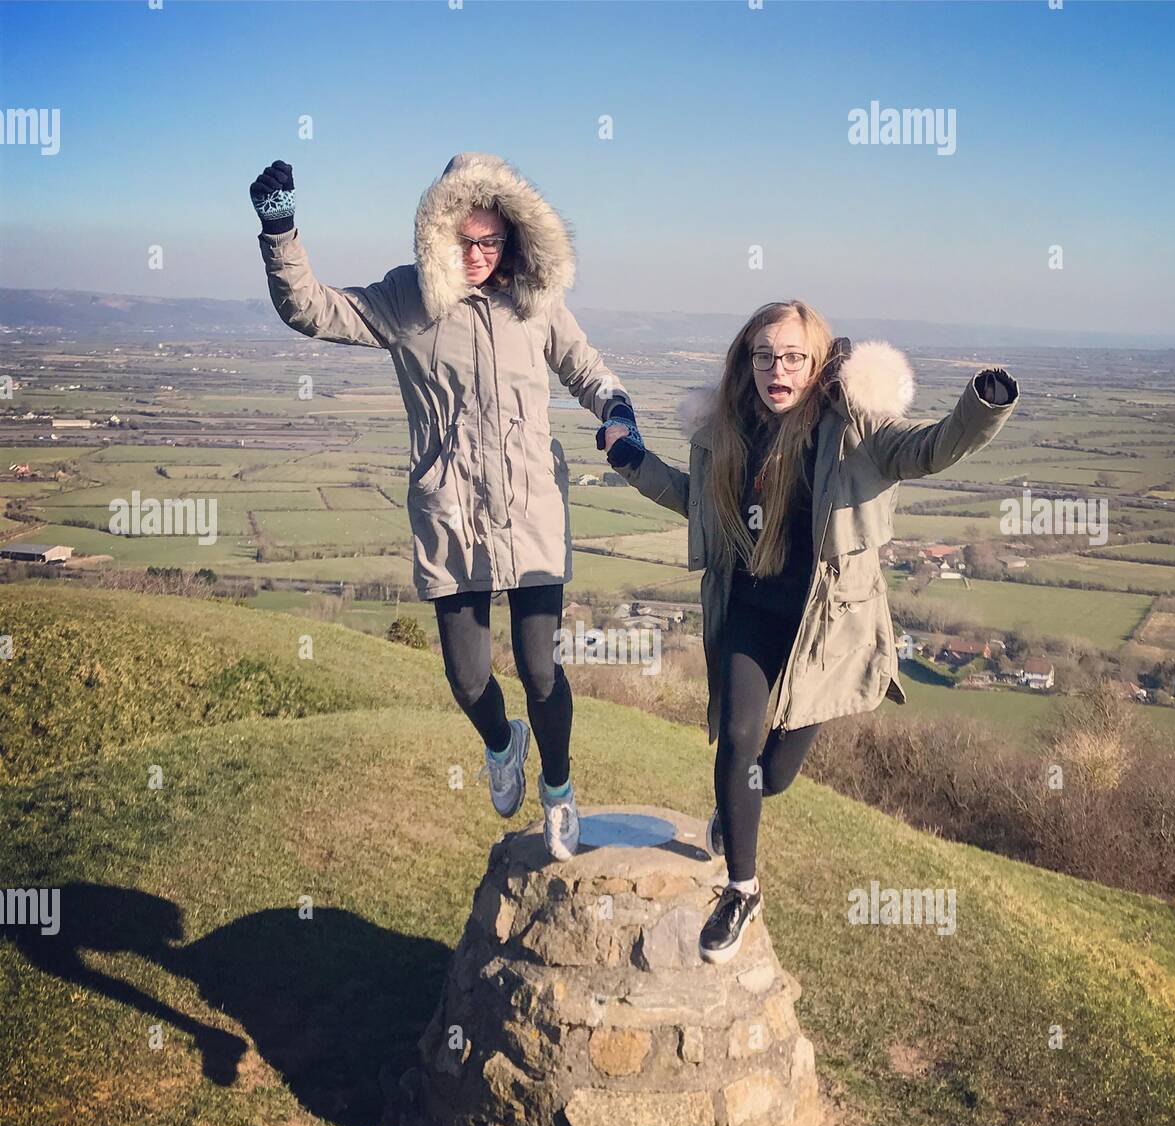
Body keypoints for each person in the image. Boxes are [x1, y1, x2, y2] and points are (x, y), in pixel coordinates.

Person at [250, 153, 643, 859]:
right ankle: (501, 742)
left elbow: (583, 364)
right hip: (452, 512)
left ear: (514, 240)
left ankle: (557, 789)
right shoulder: (408, 300)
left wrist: (615, 407)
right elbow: (311, 309)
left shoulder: (534, 298)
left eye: (491, 241)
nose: (478, 255)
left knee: (541, 667)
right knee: (466, 677)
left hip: (531, 511)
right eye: (465, 241)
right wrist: (281, 234)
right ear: (439, 235)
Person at [603, 300, 1018, 964]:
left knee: (778, 773)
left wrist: (983, 405)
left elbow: (930, 449)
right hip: (747, 610)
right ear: (747, 361)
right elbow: (696, 502)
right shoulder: (727, 431)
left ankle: (739, 807)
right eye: (764, 355)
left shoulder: (853, 428)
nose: (778, 368)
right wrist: (631, 461)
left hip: (821, 629)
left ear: (818, 362)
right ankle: (741, 888)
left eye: (794, 356)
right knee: (737, 741)